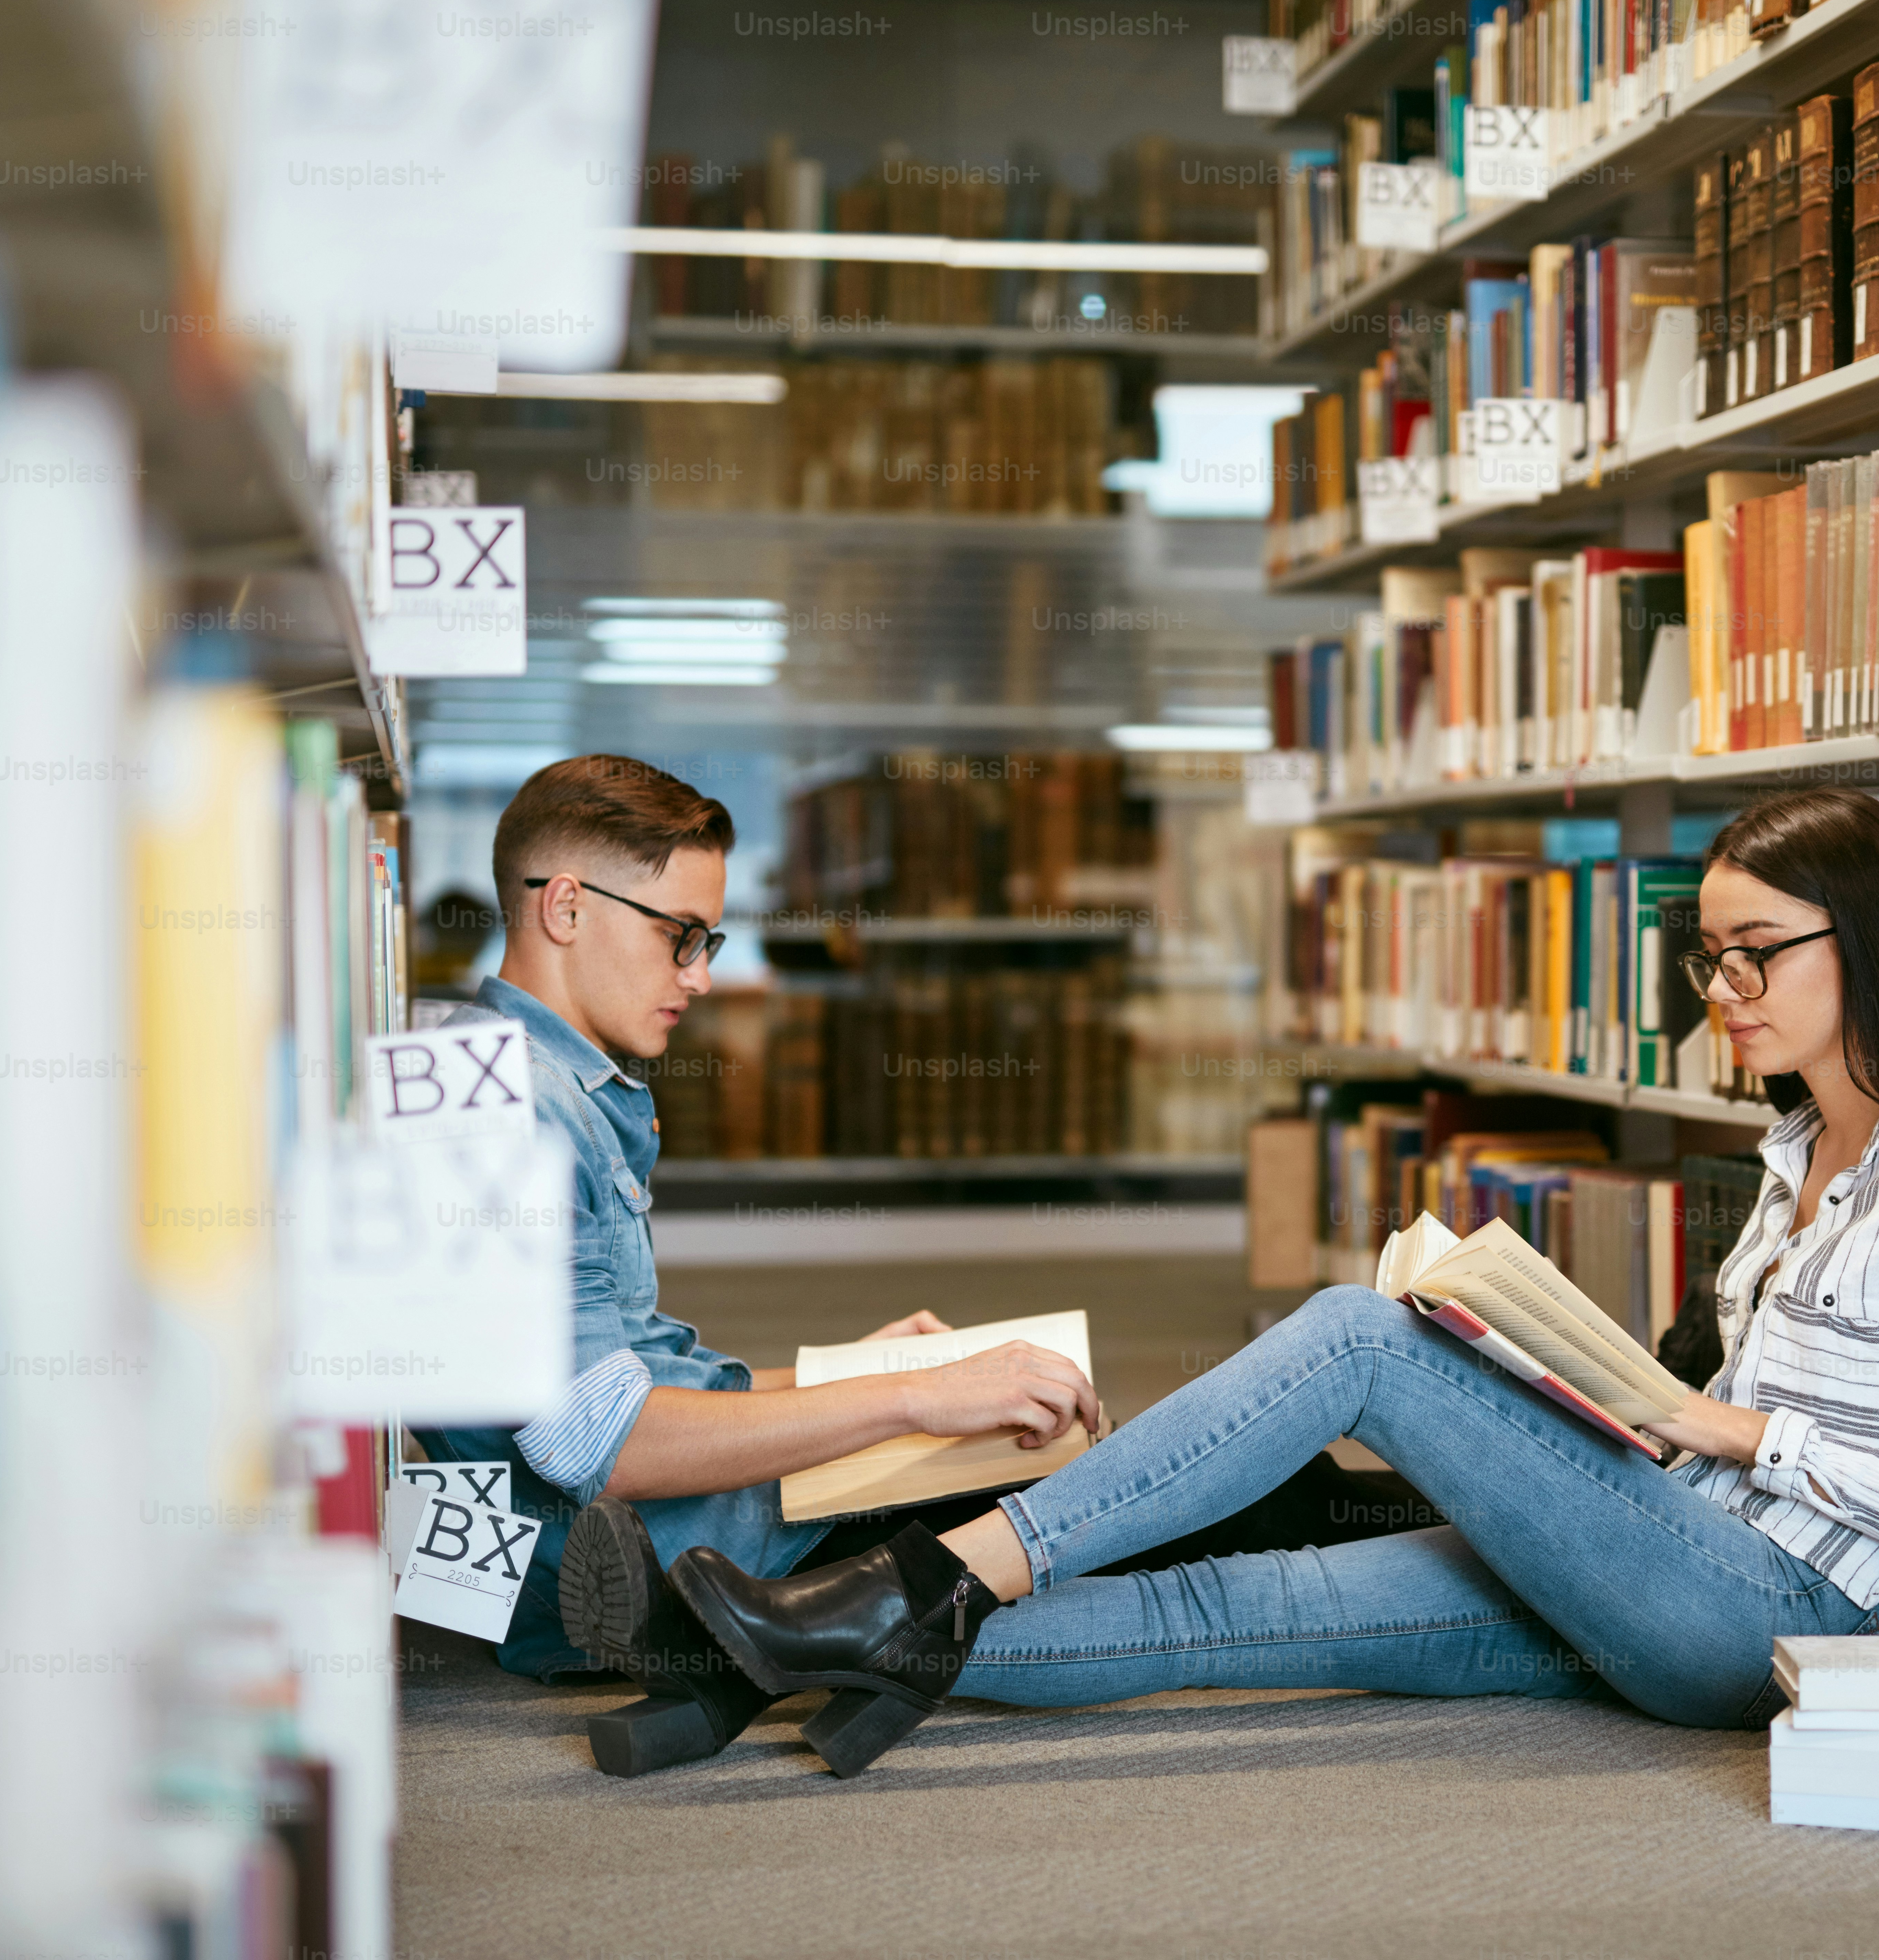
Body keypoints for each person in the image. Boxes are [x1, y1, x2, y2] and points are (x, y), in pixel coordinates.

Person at [664, 786, 1879, 1777]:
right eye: (1707, 956)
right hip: (1663, 1562)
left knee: (1359, 1335)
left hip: (1795, 1622)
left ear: (1872, 945)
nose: (1724, 987)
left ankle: (934, 1573)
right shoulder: (1789, 1160)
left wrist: (1734, 1429)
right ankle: (789, 1648)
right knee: (1228, 1611)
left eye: (1757, 951)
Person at [415, 754, 1424, 1776]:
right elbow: (607, 1442)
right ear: (568, 909)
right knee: (1176, 1491)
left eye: (708, 941)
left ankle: (1474, 1544)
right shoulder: (517, 1113)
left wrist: (842, 1376)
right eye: (678, 936)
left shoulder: (513, 1076)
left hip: (672, 1527)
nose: (702, 976)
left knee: (1119, 1473)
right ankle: (1498, 1545)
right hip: (690, 1544)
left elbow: (625, 1384)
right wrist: (909, 1401)